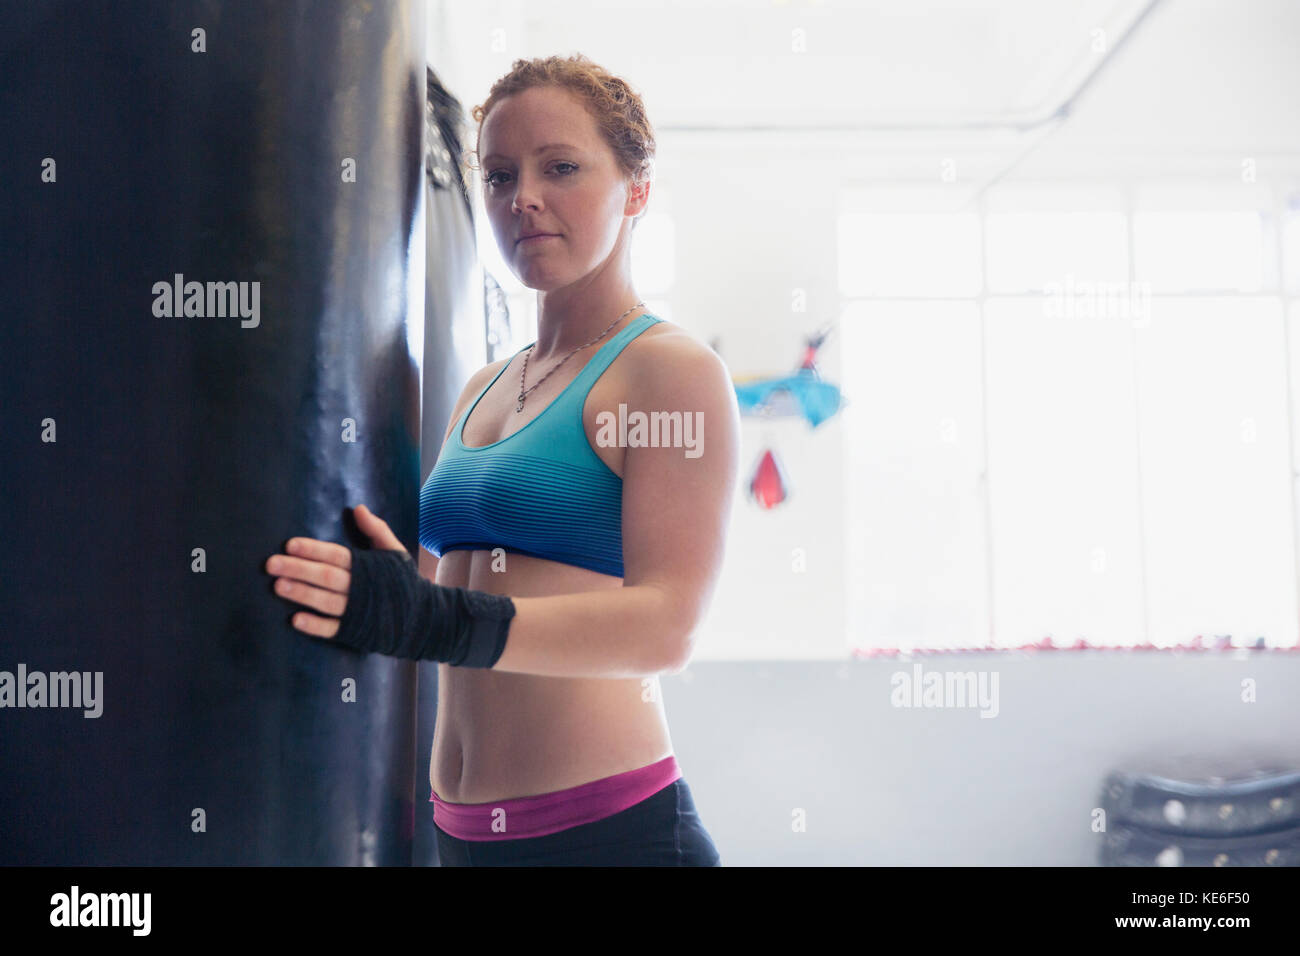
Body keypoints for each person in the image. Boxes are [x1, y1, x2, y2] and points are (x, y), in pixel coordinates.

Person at [264, 53, 739, 866]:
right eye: (498, 175)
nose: (523, 198)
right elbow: (454, 587)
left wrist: (435, 620)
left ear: (637, 189)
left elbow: (667, 627)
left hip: (612, 836)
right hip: (464, 839)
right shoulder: (487, 385)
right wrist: (377, 585)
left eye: (561, 168)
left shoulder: (669, 370)